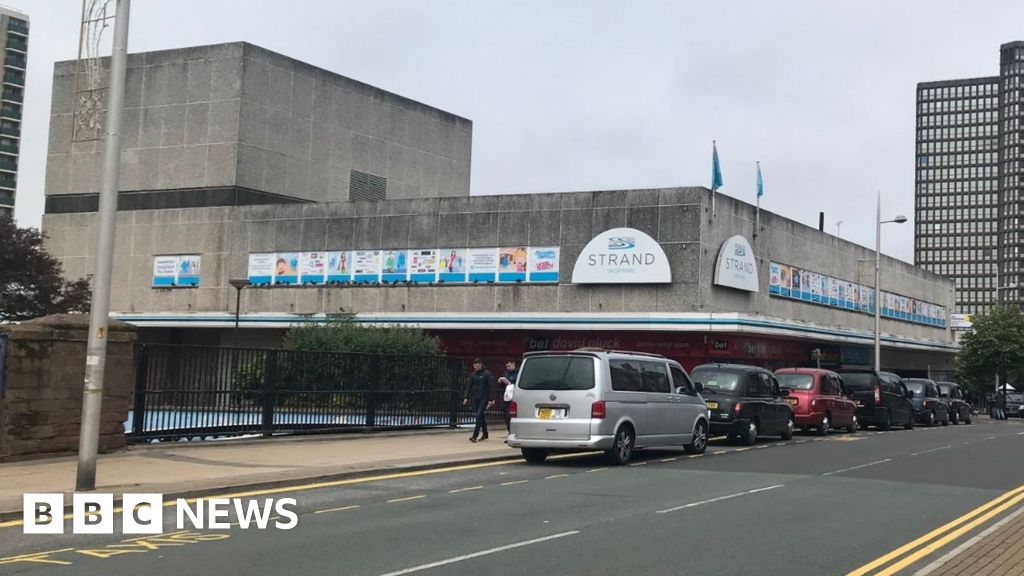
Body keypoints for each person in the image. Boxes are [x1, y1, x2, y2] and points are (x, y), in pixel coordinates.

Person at [463, 358, 494, 442]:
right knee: (481, 416)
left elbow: (491, 387)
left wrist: (491, 399)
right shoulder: (473, 375)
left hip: (484, 398)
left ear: (481, 364)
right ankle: (485, 434)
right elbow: (469, 386)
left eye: (477, 365)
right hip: (475, 398)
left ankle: (475, 436)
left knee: (478, 415)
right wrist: (466, 397)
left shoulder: (487, 374)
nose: (475, 367)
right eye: (474, 366)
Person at [498, 359, 518, 435]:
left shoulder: (518, 373)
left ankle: (512, 432)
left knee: (511, 416)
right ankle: (509, 431)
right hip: (506, 397)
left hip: (514, 397)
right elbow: (502, 387)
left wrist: (509, 382)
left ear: (513, 364)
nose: (508, 367)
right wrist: (500, 382)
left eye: (509, 366)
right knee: (506, 416)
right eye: (507, 366)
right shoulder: (505, 374)